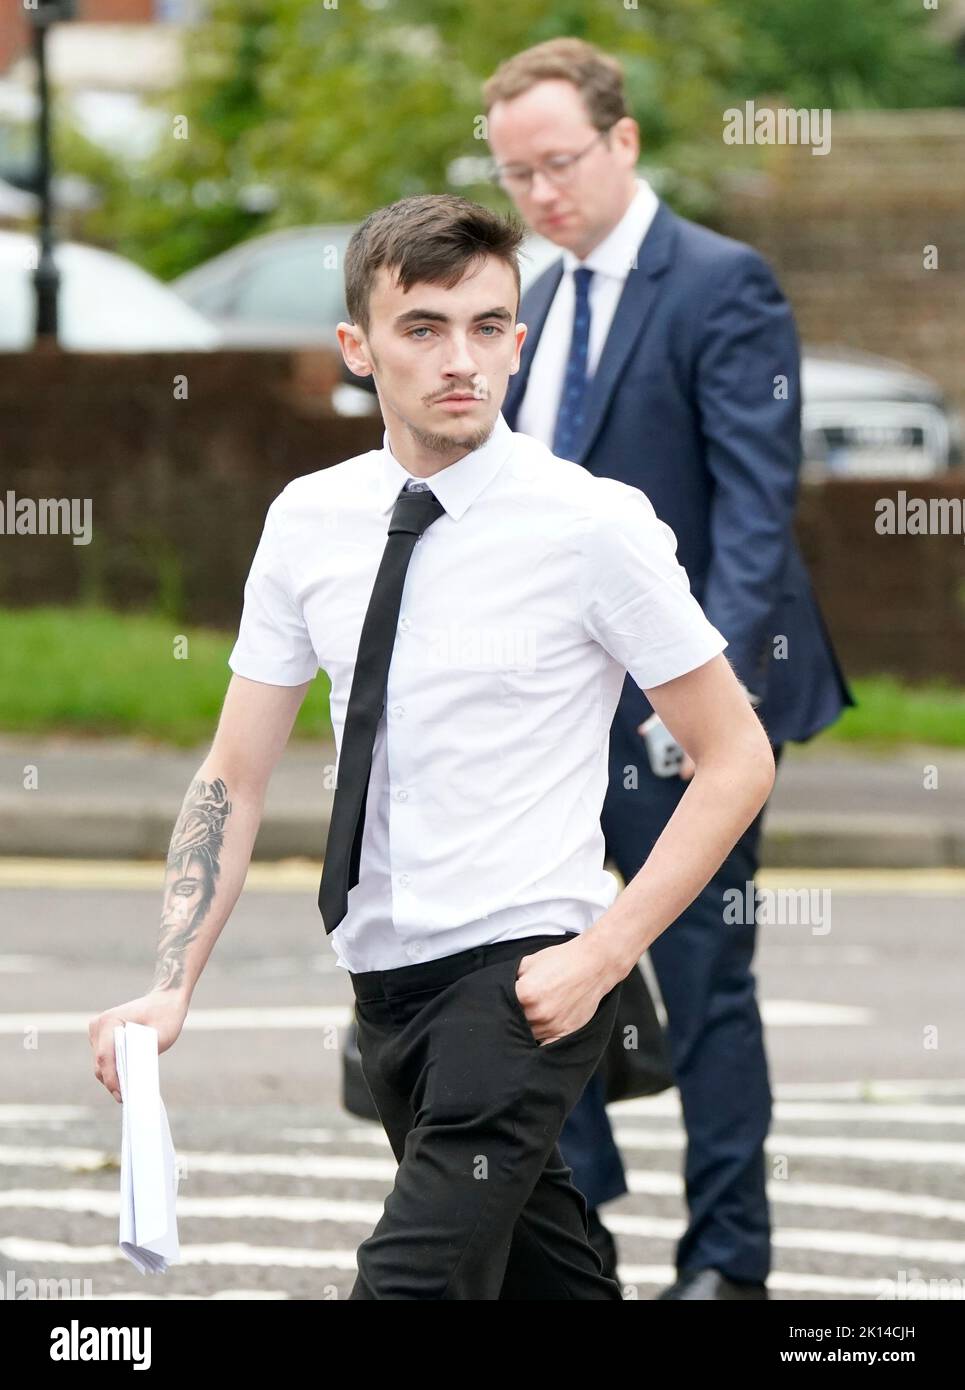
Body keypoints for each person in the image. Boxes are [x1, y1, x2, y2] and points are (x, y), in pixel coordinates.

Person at [89, 192, 776, 1301]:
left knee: (404, 1283)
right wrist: (169, 986)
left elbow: (735, 754)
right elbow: (234, 773)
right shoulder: (308, 519)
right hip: (382, 984)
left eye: (489, 326)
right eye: (423, 327)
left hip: (521, 981)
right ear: (356, 348)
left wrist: (602, 953)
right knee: (546, 1279)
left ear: (517, 336)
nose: (463, 360)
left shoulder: (589, 524)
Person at [484, 38, 854, 1298]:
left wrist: (707, 696)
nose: (539, 194)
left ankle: (727, 1265)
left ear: (622, 142)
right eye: (514, 173)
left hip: (691, 706)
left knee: (700, 983)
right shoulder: (523, 299)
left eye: (558, 164)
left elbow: (754, 510)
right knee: (525, 962)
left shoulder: (718, 284)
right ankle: (571, 1226)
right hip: (552, 704)